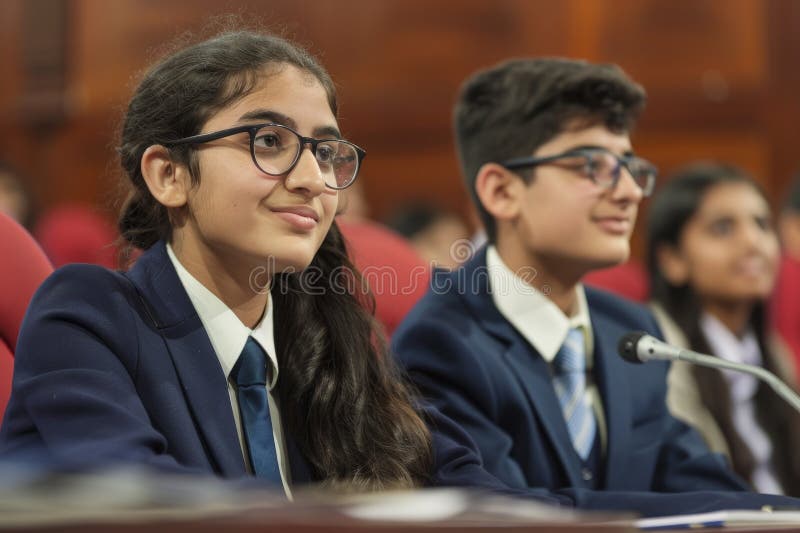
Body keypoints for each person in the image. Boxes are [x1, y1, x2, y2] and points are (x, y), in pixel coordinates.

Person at [0, 29, 527, 498]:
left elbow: (479, 497)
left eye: (325, 152)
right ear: (169, 175)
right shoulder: (89, 316)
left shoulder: (330, 333)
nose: (314, 180)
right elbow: (142, 504)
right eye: (269, 141)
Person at [393, 57, 800, 512]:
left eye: (628, 165)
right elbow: (503, 512)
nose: (629, 191)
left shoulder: (628, 330)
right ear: (502, 192)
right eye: (592, 165)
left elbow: (694, 477)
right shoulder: (442, 342)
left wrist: (779, 513)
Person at [647, 162, 800, 496]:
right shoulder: (657, 354)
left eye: (762, 224)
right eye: (723, 228)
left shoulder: (774, 354)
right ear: (672, 259)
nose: (753, 242)